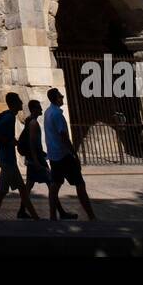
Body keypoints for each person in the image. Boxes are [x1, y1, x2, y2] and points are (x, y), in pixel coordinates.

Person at [44, 88, 95, 220]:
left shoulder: (48, 112)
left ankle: (52, 216)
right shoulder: (57, 115)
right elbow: (64, 136)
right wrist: (74, 153)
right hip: (63, 154)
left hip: (54, 155)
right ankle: (91, 215)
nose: (63, 98)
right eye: (61, 96)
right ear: (55, 98)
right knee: (79, 184)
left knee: (55, 186)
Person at [0, 92, 39, 220]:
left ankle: (35, 217)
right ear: (14, 103)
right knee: (2, 192)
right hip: (7, 159)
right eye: (19, 100)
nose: (22, 102)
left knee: (22, 190)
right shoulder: (10, 117)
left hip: (8, 159)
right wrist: (8, 141)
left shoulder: (11, 116)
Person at [20, 99, 50, 203]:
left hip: (34, 158)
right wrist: (36, 160)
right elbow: (32, 143)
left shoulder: (30, 121)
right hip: (36, 160)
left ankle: (22, 209)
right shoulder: (33, 123)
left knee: (29, 185)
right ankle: (59, 211)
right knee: (51, 183)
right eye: (38, 107)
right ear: (33, 109)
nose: (41, 109)